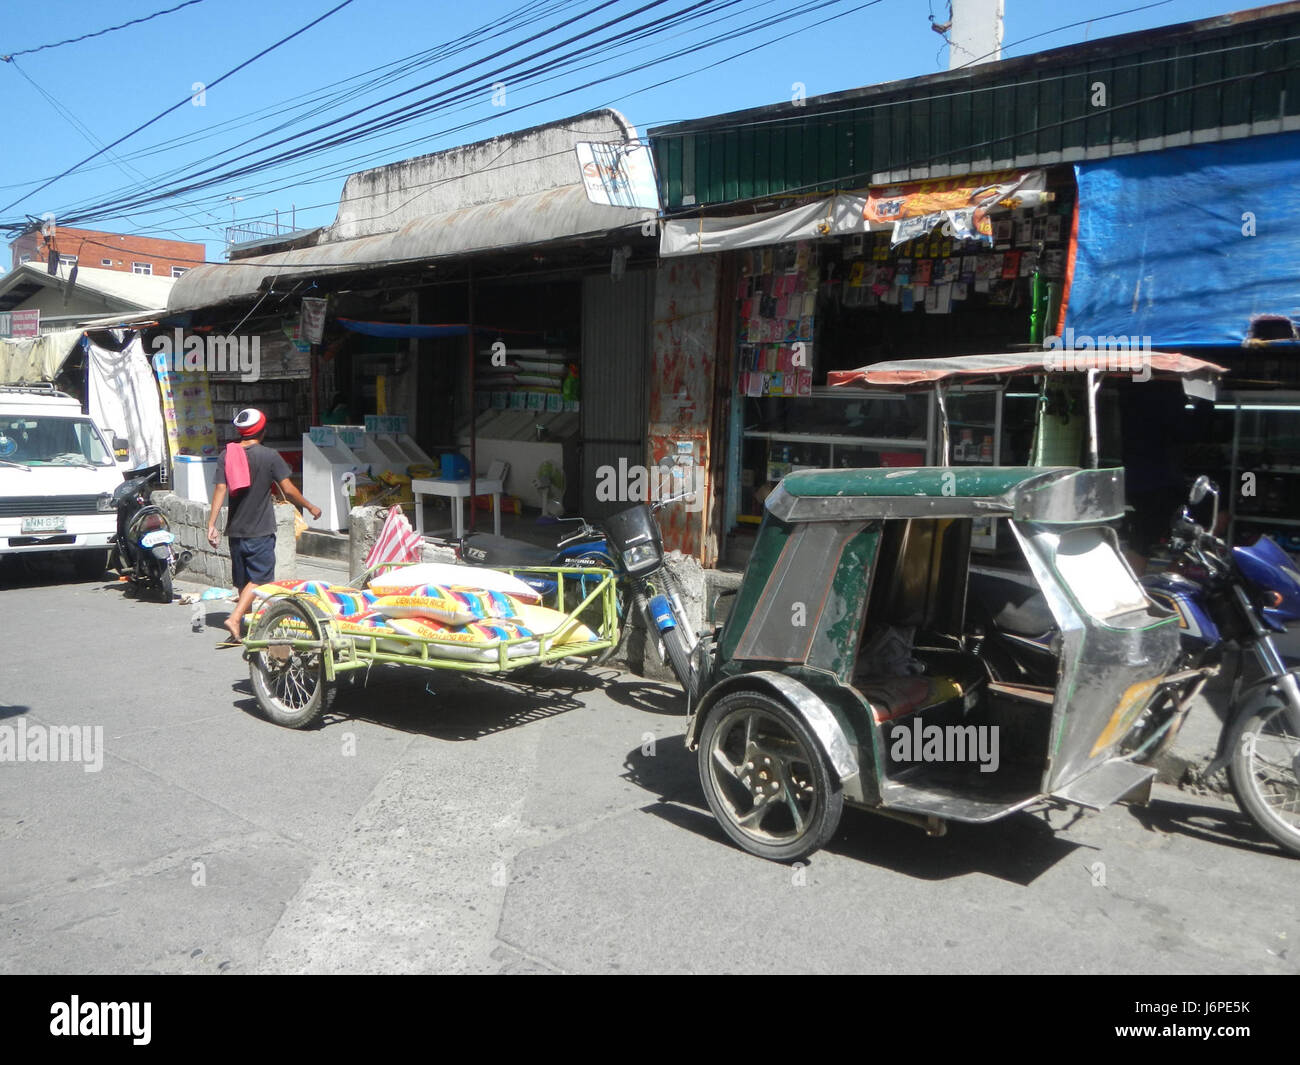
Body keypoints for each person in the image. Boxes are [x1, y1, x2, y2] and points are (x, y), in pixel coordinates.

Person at [207, 408, 320, 646]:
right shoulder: (269, 456)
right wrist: (309, 506)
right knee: (260, 577)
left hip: (236, 530)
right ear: (263, 430)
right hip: (260, 529)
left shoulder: (227, 454)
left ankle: (242, 630)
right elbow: (288, 490)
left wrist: (211, 523)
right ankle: (236, 618)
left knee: (243, 580)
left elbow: (220, 489)